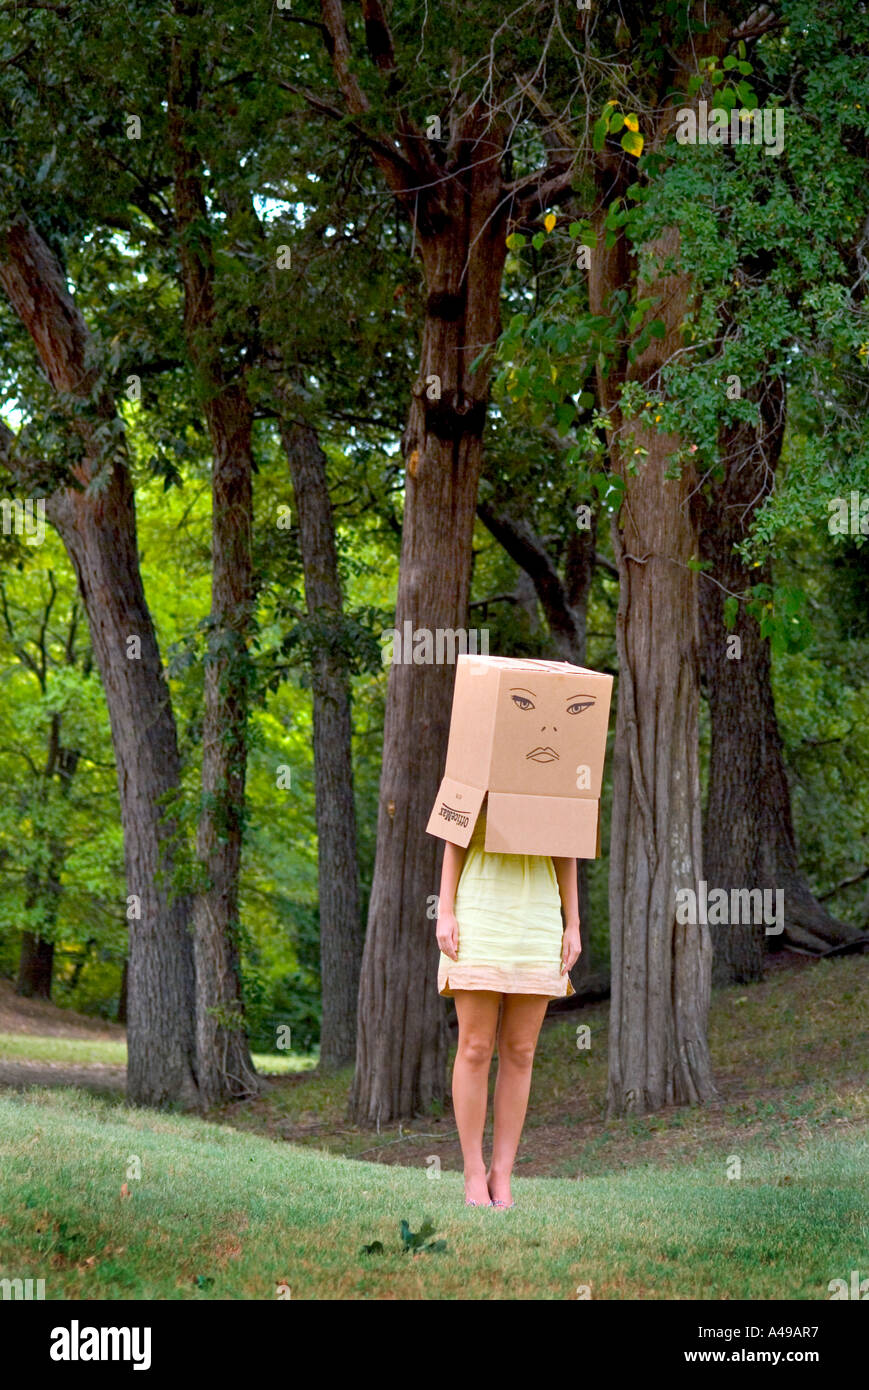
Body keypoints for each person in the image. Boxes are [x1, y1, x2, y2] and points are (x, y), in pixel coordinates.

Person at [435, 794, 580, 1208]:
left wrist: (573, 922)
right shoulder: (477, 746)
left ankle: (502, 1174)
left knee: (521, 1050)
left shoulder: (555, 758)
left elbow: (566, 843)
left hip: (537, 911)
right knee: (476, 1046)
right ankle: (473, 1173)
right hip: (480, 906)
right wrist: (445, 911)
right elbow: (453, 836)